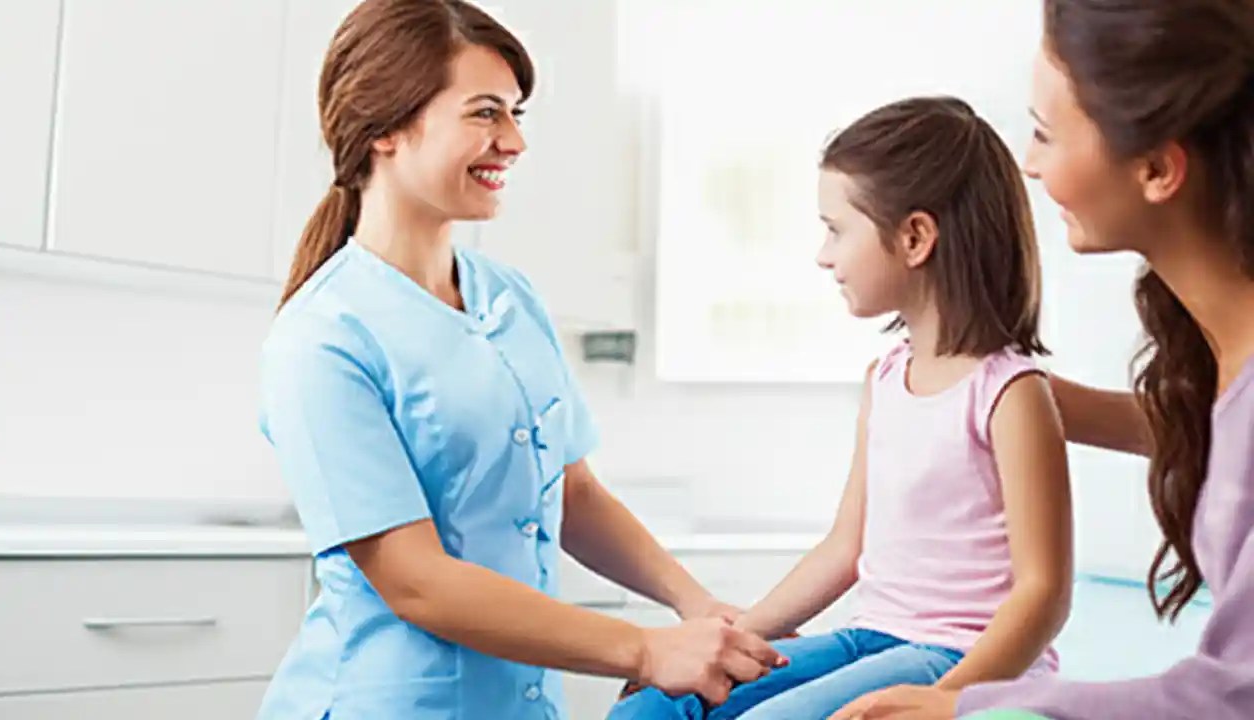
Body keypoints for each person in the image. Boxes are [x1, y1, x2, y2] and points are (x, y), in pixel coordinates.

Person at [254, 1, 782, 718]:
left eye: (515, 114)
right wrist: (644, 649)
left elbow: (577, 493)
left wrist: (695, 605)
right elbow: (415, 580)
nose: (513, 142)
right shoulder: (322, 336)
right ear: (385, 128)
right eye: (485, 113)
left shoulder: (509, 297)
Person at [831, 1, 1254, 719]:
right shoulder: (1219, 372)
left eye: (1044, 133)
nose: (1026, 163)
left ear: (1157, 167)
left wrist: (955, 705)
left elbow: (1231, 696)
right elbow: (1210, 422)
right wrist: (1022, 399)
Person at [609, 96, 1074, 720]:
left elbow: (1044, 592)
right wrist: (730, 640)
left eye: (835, 229)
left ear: (914, 238)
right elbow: (844, 548)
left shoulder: (1011, 394)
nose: (823, 255)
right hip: (873, 634)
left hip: (958, 655)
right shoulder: (884, 378)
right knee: (656, 708)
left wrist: (941, 700)